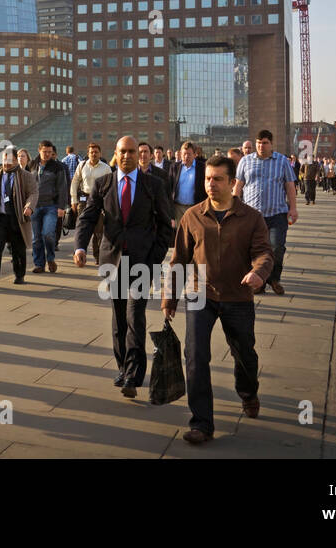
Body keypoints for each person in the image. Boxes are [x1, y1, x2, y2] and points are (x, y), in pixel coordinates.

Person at [164, 154, 273, 443]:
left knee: (245, 354)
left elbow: (264, 252)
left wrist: (258, 272)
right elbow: (179, 260)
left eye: (217, 179)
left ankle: (248, 392)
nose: (210, 184)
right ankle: (201, 423)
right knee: (195, 357)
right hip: (201, 295)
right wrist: (170, 297)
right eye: (207, 179)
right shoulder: (192, 216)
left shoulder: (251, 218)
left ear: (232, 182)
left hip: (238, 297)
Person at [73, 136, 173, 397]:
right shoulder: (103, 184)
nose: (128, 156)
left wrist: (155, 258)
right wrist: (80, 247)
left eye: (132, 151)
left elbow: (165, 225)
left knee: (134, 316)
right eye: (123, 152)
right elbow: (88, 217)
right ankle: (122, 368)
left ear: (139, 155)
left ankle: (133, 375)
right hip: (112, 260)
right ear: (115, 154)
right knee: (118, 318)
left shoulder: (153, 185)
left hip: (142, 261)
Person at [233, 129, 298, 297]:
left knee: (277, 248)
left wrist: (293, 208)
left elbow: (290, 186)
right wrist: (233, 207)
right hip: (251, 216)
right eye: (259, 143)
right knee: (252, 250)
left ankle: (274, 279)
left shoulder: (282, 161)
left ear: (271, 144)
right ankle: (259, 281)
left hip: (276, 214)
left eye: (265, 143)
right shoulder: (245, 162)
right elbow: (238, 186)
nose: (261, 146)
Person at [0, 146, 37, 286]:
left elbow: (33, 193)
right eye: (5, 161)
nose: (7, 164)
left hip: (17, 218)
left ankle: (19, 275)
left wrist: (29, 206)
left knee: (18, 249)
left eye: (10, 161)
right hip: (0, 218)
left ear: (16, 161)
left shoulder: (26, 176)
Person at [30, 141, 70, 273]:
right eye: (45, 151)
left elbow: (63, 188)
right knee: (36, 239)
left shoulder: (58, 167)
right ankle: (39, 264)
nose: (47, 154)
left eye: (50, 152)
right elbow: (27, 186)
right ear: (39, 150)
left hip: (51, 206)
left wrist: (61, 207)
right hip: (34, 206)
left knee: (47, 234)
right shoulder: (32, 165)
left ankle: (51, 258)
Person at [69, 143, 112, 263]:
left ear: (100, 153)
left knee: (99, 230)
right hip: (84, 199)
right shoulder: (82, 165)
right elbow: (75, 182)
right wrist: (74, 201)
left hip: (99, 200)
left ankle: (98, 256)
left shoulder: (106, 168)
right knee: (82, 226)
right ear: (88, 154)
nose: (94, 154)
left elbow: (110, 187)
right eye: (91, 152)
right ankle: (78, 253)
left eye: (96, 152)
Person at [167, 140, 206, 227]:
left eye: (189, 154)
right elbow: (169, 187)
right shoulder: (174, 167)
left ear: (195, 154)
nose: (186, 156)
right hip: (178, 208)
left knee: (194, 232)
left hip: (195, 207)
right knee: (180, 233)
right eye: (184, 154)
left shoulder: (202, 168)